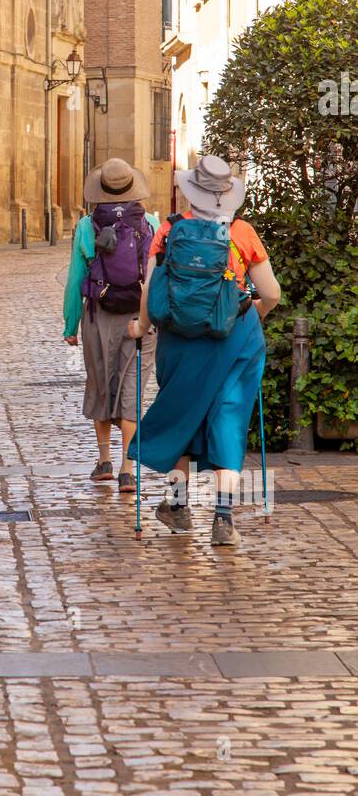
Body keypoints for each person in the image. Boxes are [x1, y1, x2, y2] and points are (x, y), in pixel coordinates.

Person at [127, 155, 281, 546]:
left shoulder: (168, 229)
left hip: (180, 339)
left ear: (190, 192)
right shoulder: (242, 232)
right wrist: (251, 317)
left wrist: (141, 327)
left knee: (182, 416)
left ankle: (178, 509)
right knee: (228, 419)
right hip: (237, 340)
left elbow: (150, 287)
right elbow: (272, 293)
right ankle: (224, 518)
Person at [63, 158, 159, 492]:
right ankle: (127, 468)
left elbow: (76, 278)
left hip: (98, 315)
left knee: (101, 380)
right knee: (133, 386)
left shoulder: (86, 227)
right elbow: (157, 276)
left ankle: (103, 461)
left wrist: (69, 325)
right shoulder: (150, 222)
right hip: (140, 317)